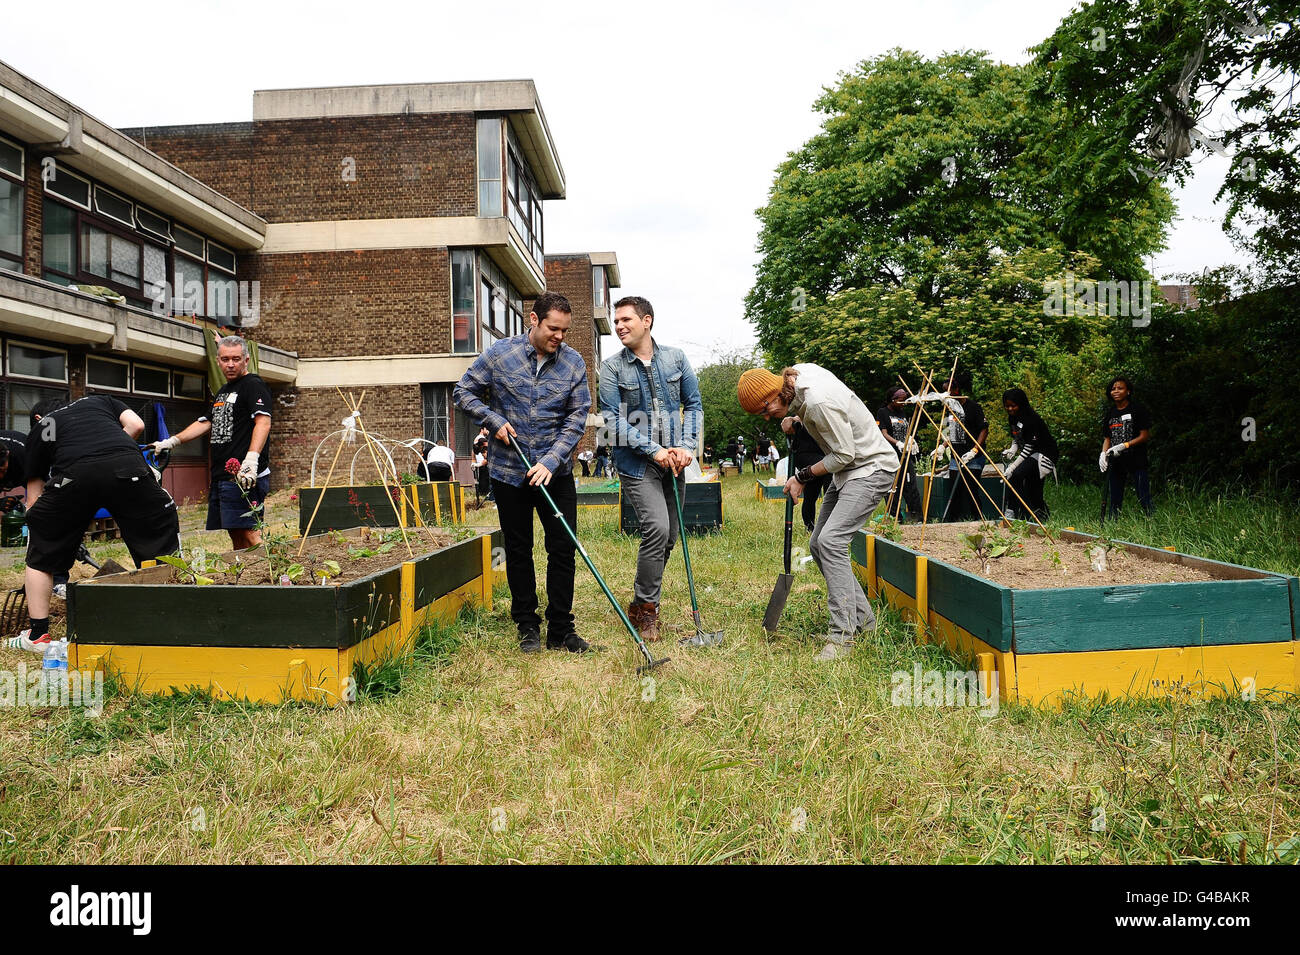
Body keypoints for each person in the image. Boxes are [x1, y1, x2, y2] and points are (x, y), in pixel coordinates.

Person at [454, 291, 592, 654]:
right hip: (508, 471)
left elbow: (577, 419)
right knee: (519, 549)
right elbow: (464, 391)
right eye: (553, 328)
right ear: (533, 320)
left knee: (562, 549)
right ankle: (527, 625)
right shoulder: (500, 355)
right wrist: (493, 420)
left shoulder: (574, 364)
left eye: (564, 330)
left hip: (555, 473)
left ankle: (561, 629)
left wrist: (551, 461)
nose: (559, 336)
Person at [739, 364, 897, 661]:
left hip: (870, 468)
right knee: (817, 543)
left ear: (775, 393)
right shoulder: (798, 375)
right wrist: (795, 418)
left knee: (831, 541)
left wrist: (800, 477)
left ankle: (842, 636)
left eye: (765, 410)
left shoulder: (817, 402)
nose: (768, 418)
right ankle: (865, 623)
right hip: (848, 471)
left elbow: (843, 454)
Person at [6, 395, 180, 652]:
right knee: (158, 542)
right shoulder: (99, 401)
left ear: (38, 419)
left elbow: (33, 499)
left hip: (72, 478)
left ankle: (38, 636)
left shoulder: (44, 427)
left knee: (41, 547)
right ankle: (172, 618)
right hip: (127, 466)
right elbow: (136, 425)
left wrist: (52, 537)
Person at [598, 295, 702, 643]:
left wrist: (687, 448)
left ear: (648, 321)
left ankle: (640, 602)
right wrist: (654, 450)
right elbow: (612, 420)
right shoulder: (612, 368)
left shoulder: (676, 358)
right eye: (616, 322)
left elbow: (695, 405)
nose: (619, 326)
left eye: (626, 319)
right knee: (657, 529)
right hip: (635, 463)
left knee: (670, 535)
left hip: (674, 463)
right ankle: (646, 609)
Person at [152, 335, 271, 549]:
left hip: (244, 476)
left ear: (246, 360)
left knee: (250, 529)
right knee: (235, 531)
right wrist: (171, 442)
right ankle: (245, 577)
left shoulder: (253, 385)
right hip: (222, 476)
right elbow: (206, 422)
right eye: (225, 359)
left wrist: (251, 461)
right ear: (218, 361)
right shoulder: (224, 391)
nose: (231, 364)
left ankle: (277, 576)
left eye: (236, 359)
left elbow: (263, 422)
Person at [999, 388, 1059, 521]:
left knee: (1016, 476)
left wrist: (1013, 466)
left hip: (1044, 453)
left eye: (1013, 405)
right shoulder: (1012, 418)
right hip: (1032, 453)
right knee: (1032, 489)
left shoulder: (1031, 418)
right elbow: (1017, 438)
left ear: (1021, 403)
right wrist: (1012, 450)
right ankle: (1039, 516)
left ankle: (1012, 510)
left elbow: (1028, 448)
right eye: (1007, 406)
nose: (1010, 409)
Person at [1099, 376, 1154, 517]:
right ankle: (1113, 524)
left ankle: (1152, 520)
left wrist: (1125, 445)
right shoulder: (1110, 414)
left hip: (1136, 459)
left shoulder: (1137, 410)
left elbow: (1145, 435)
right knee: (1115, 497)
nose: (1116, 391)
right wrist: (1103, 454)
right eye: (1113, 389)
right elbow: (1107, 438)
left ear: (1128, 391)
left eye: (1120, 388)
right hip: (1116, 460)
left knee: (1143, 494)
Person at [938, 370, 988, 522]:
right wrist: (943, 446)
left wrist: (974, 450)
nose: (945, 395)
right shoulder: (951, 408)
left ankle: (978, 519)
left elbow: (984, 429)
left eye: (948, 391)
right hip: (956, 454)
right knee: (955, 489)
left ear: (956, 390)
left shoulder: (973, 407)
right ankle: (953, 521)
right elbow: (952, 430)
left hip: (973, 456)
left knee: (971, 489)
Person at [876, 387, 924, 522]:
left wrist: (911, 440)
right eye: (901, 401)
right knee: (893, 486)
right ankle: (895, 517)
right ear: (893, 400)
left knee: (911, 485)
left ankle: (916, 516)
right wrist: (897, 443)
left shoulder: (902, 413)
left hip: (905, 455)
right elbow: (883, 433)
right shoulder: (883, 412)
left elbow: (907, 430)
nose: (904, 404)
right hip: (890, 456)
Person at [781, 415, 829, 532]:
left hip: (822, 455)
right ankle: (810, 526)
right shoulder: (806, 412)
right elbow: (790, 421)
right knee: (828, 472)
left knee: (813, 491)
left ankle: (820, 526)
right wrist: (792, 420)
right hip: (805, 455)